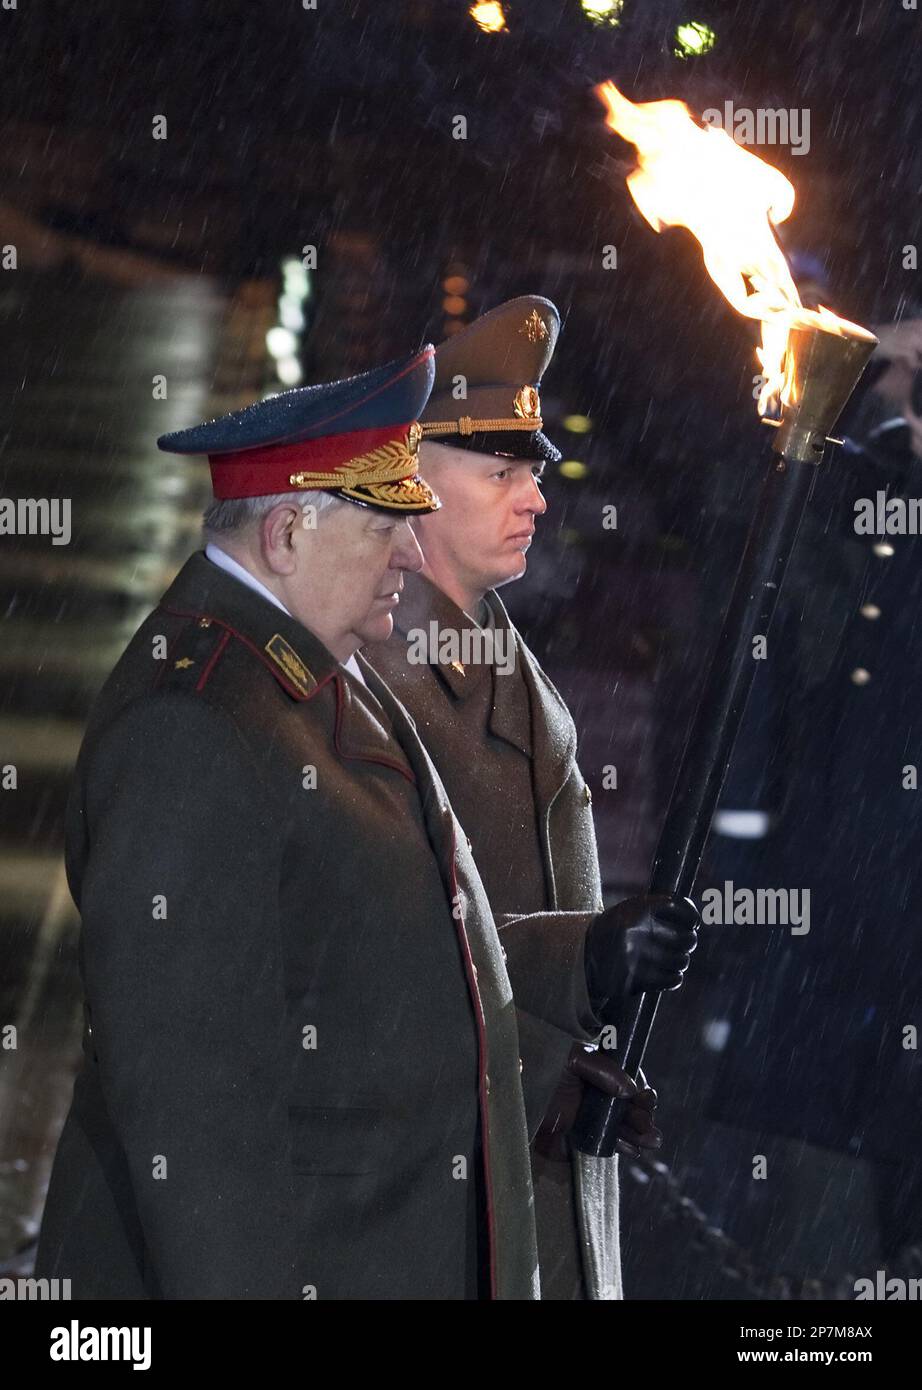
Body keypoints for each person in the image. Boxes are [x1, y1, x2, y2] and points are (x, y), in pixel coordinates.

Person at [362, 298, 700, 1298]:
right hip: (438, 1176)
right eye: (501, 472)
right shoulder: (378, 666)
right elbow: (381, 934)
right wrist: (582, 958)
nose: (536, 498)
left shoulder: (489, 634)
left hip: (520, 1141)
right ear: (414, 478)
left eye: (534, 473)